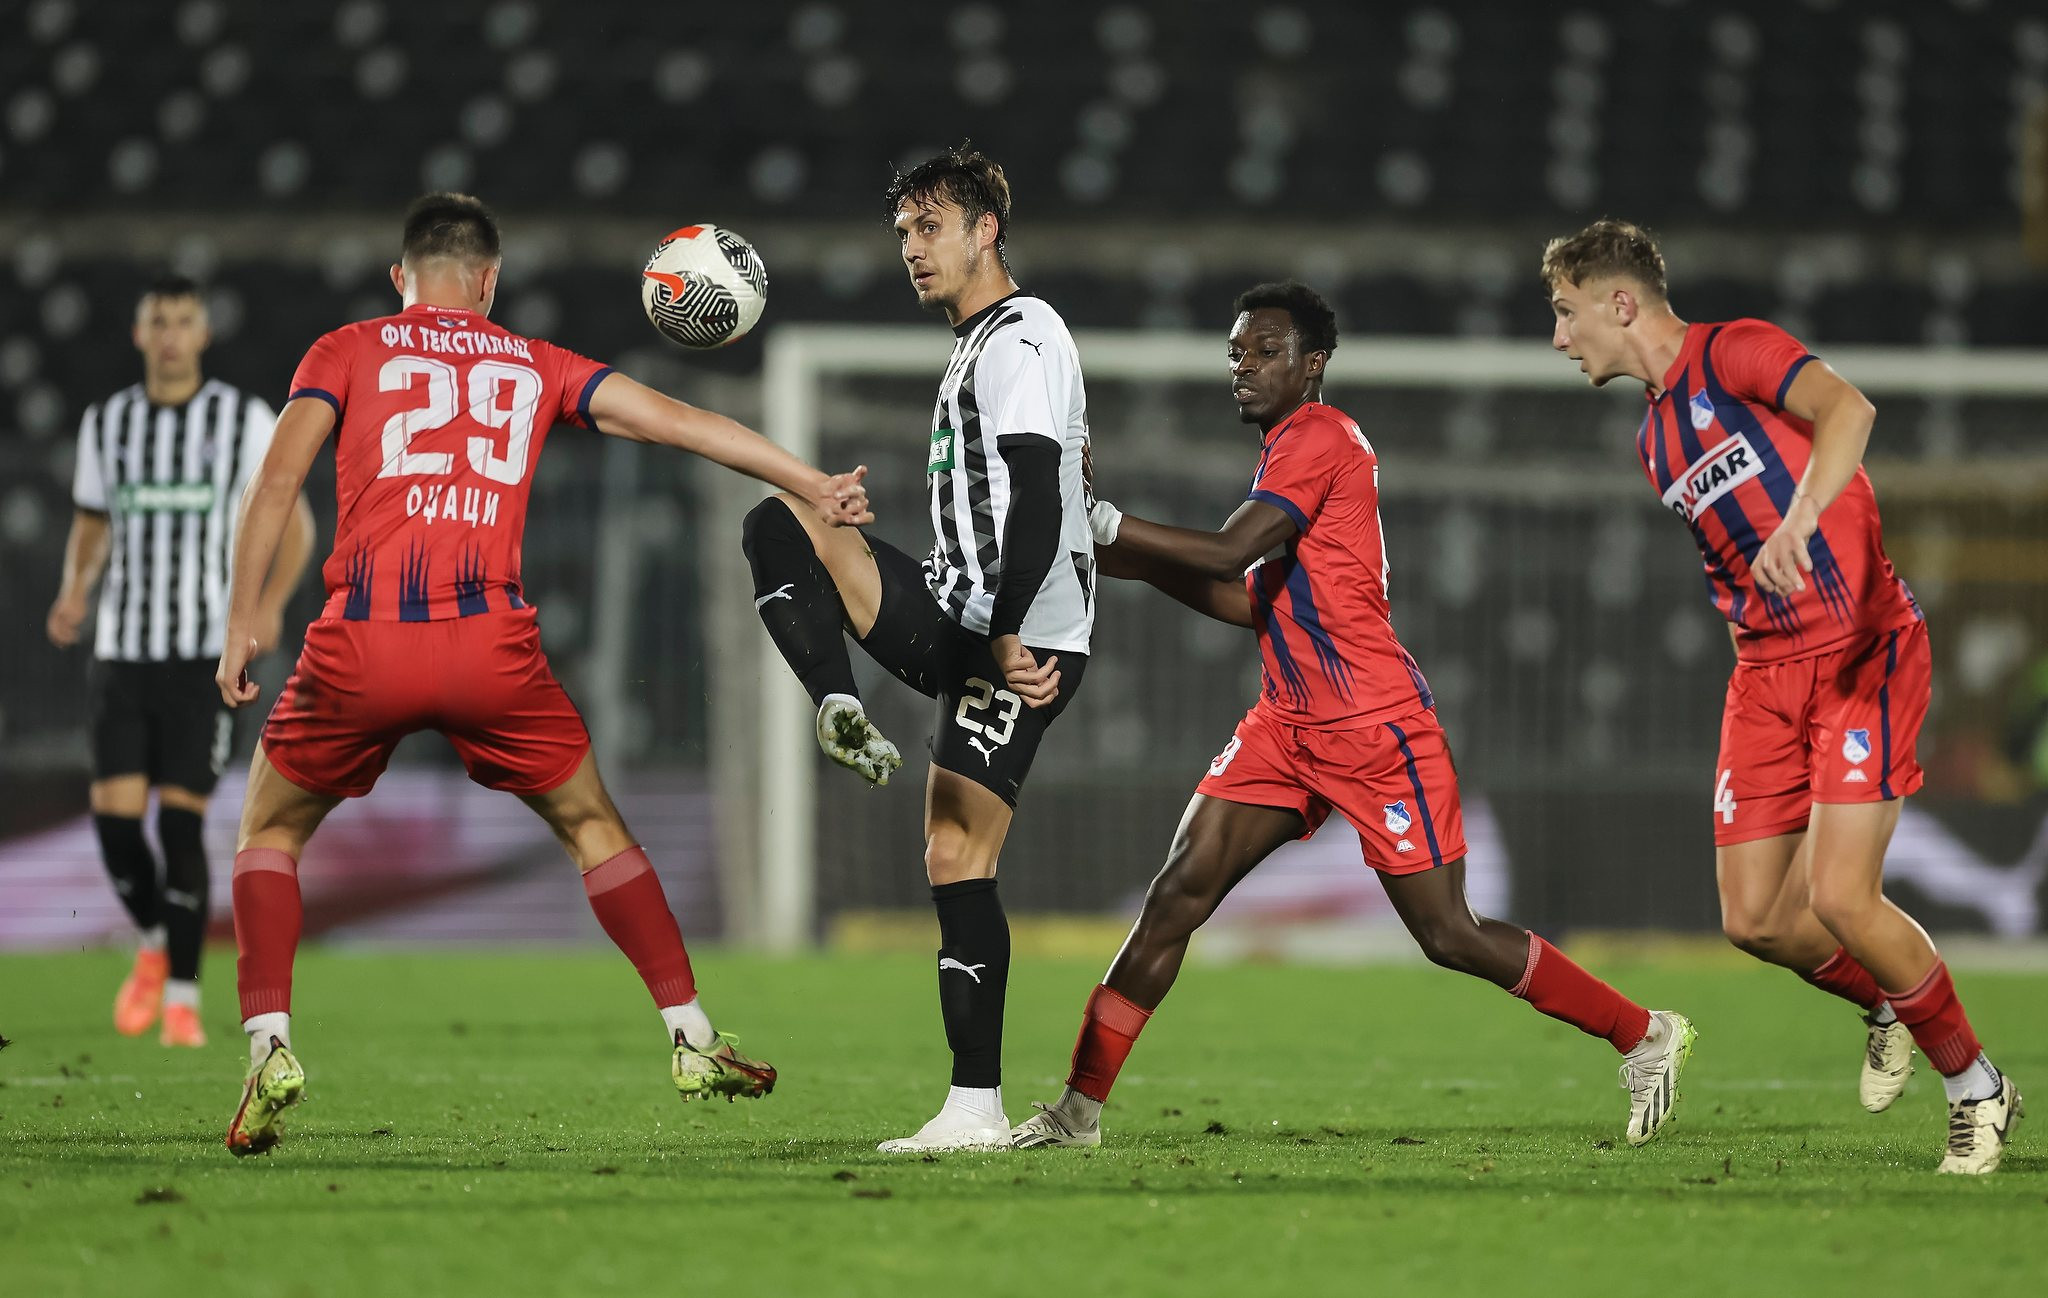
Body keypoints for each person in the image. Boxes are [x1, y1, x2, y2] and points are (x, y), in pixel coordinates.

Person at [215, 192, 872, 1155]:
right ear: (490, 281)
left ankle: (269, 1046)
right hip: (492, 650)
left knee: (269, 828)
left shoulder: (345, 348)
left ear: (402, 278)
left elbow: (276, 483)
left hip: (362, 645)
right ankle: (691, 1036)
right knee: (593, 826)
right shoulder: (533, 361)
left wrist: (242, 623)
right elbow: (676, 420)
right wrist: (808, 481)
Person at [1011, 282, 1694, 1151]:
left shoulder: (1321, 440)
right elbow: (1242, 597)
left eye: (1264, 351)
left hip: (1377, 731)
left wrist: (1102, 524)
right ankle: (1077, 1113)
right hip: (1286, 727)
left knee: (1448, 933)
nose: (1243, 367)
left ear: (1314, 364)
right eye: (1235, 352)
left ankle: (1645, 1034)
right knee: (1175, 897)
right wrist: (1108, 552)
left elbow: (1225, 552)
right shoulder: (1287, 454)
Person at [1542, 218, 2021, 1174]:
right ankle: (1886, 999)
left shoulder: (1739, 350)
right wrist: (1753, 664)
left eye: (1565, 312)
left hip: (1861, 651)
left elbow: (1851, 411)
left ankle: (1977, 1086)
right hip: (1766, 674)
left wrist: (1800, 520)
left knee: (1844, 897)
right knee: (1756, 921)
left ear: (1620, 302)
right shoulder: (1653, 440)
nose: (1560, 338)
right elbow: (1725, 568)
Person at [741, 144, 1094, 1151]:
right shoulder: (977, 340)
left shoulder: (1022, 335)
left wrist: (1017, 624)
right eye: (902, 230)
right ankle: (832, 698)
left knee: (954, 850)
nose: (911, 247)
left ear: (986, 229)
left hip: (1018, 637)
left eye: (929, 226)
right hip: (957, 609)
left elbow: (1032, 489)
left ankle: (973, 1107)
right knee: (786, 515)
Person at [47, 274, 315, 1048]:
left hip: (200, 654)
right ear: (140, 335)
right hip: (123, 652)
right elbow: (93, 521)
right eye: (157, 320)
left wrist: (268, 603)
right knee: (116, 828)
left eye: (183, 320)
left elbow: (295, 518)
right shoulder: (110, 423)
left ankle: (185, 1003)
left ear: (202, 334)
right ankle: (159, 946)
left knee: (182, 825)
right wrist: (74, 591)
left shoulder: (242, 418)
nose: (170, 334)